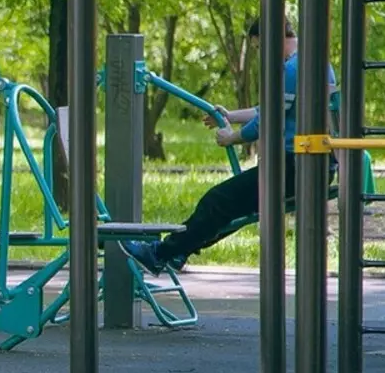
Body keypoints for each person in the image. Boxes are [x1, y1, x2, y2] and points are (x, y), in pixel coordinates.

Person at [120, 17, 337, 275]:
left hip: (295, 167)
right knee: (230, 209)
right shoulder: (313, 60)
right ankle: (178, 251)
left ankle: (160, 254)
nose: (261, 55)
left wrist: (231, 137)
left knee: (218, 201)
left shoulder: (292, 70)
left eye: (259, 48)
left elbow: (267, 122)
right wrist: (230, 116)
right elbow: (268, 109)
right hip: (312, 165)